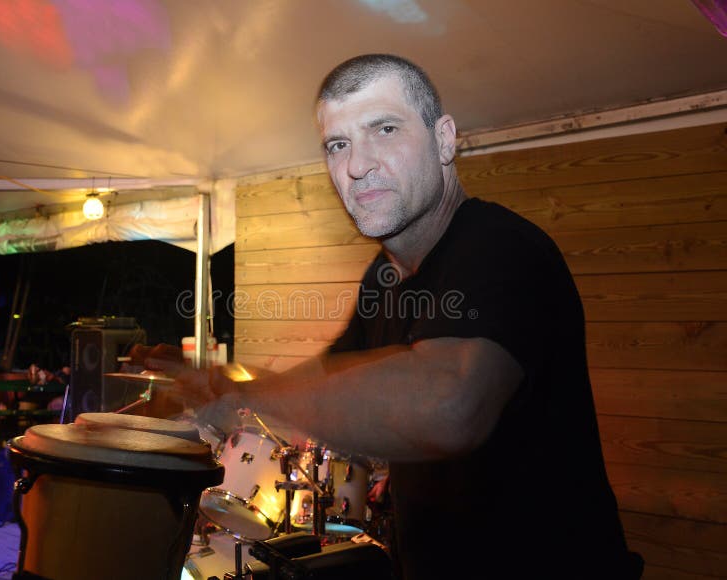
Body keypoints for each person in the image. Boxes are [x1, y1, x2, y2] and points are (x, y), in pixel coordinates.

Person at [164, 54, 643, 578]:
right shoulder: (385, 276)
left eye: (384, 129)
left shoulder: (501, 247)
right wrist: (219, 388)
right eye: (337, 145)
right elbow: (331, 375)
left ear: (444, 140)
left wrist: (254, 394)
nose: (356, 165)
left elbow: (449, 404)